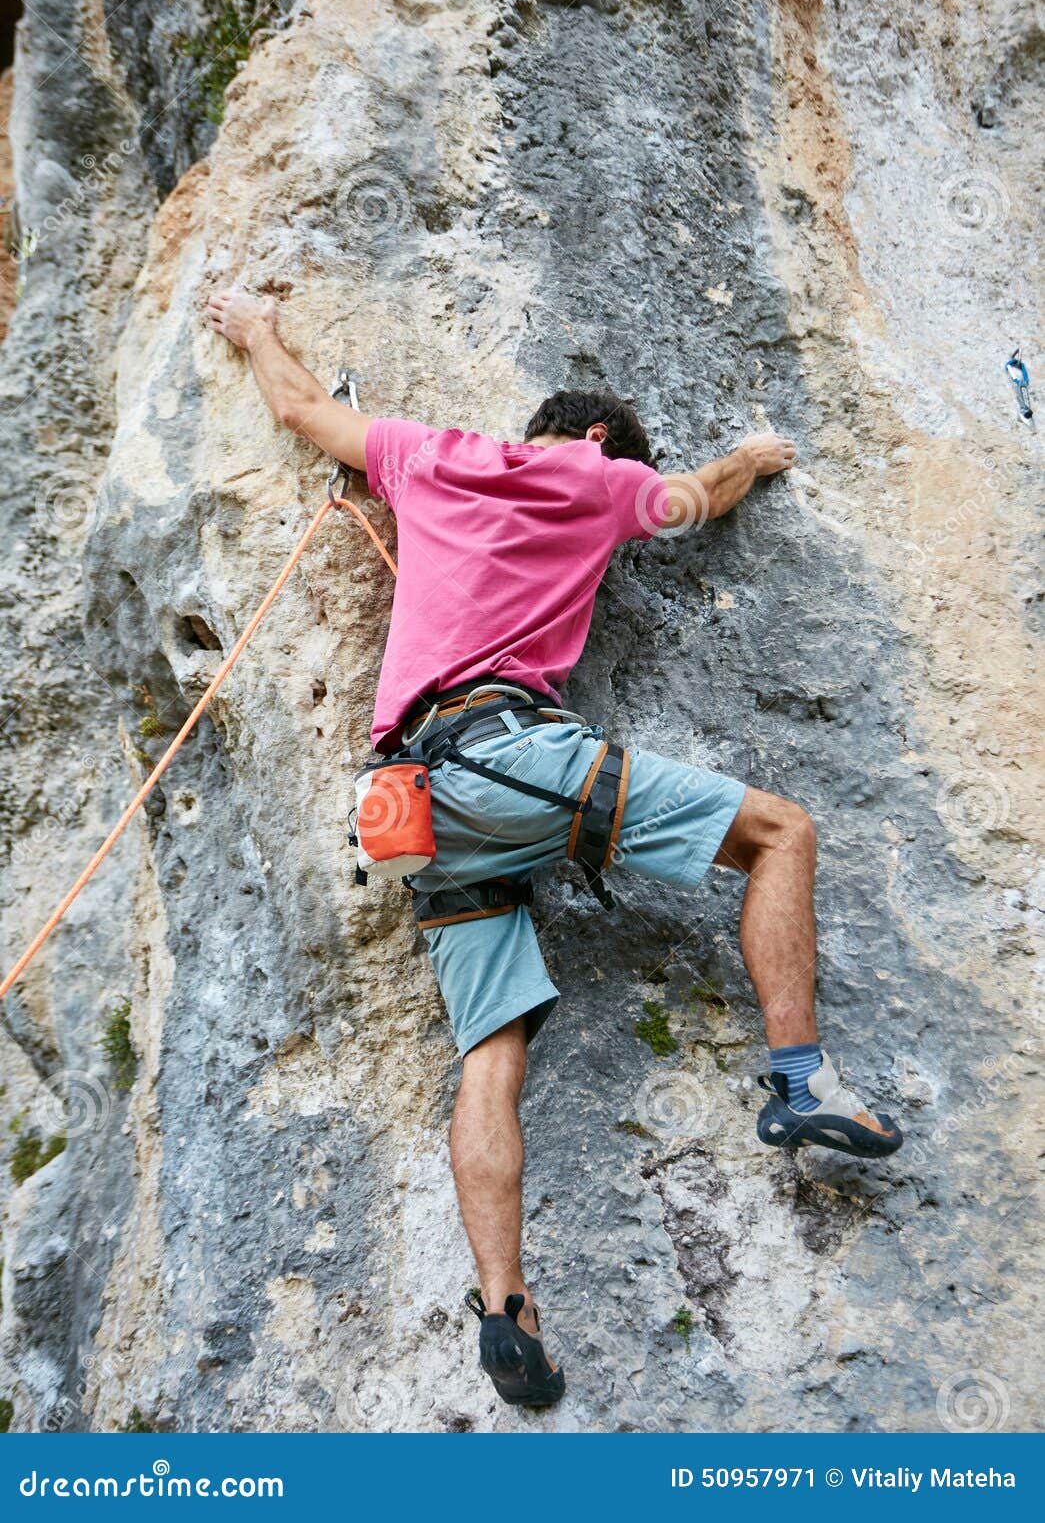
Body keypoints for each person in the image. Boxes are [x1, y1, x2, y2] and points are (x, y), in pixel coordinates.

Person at [206, 290, 903, 1407]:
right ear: (593, 441)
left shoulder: (420, 454)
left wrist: (252, 328)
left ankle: (504, 1306)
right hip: (512, 753)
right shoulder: (591, 474)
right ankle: (801, 1077)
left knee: (491, 1050)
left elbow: (299, 412)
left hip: (413, 803)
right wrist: (752, 458)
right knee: (781, 830)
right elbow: (691, 501)